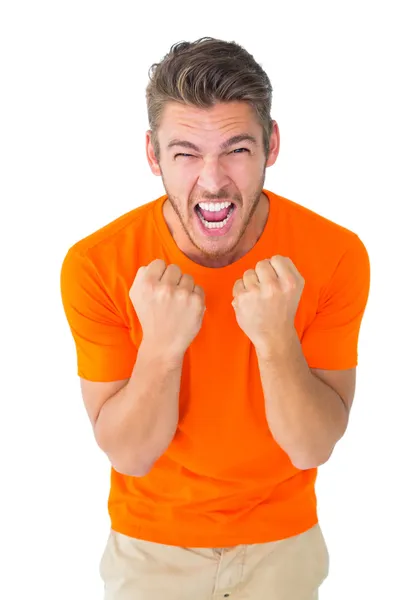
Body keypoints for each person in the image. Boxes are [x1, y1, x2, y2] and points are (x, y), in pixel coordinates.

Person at [60, 37, 370, 600]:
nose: (212, 180)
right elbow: (130, 454)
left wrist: (276, 339)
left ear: (271, 145)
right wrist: (162, 346)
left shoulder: (336, 255)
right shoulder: (97, 265)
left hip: (285, 546)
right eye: (184, 153)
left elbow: (312, 447)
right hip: (150, 549)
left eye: (236, 149)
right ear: (152, 156)